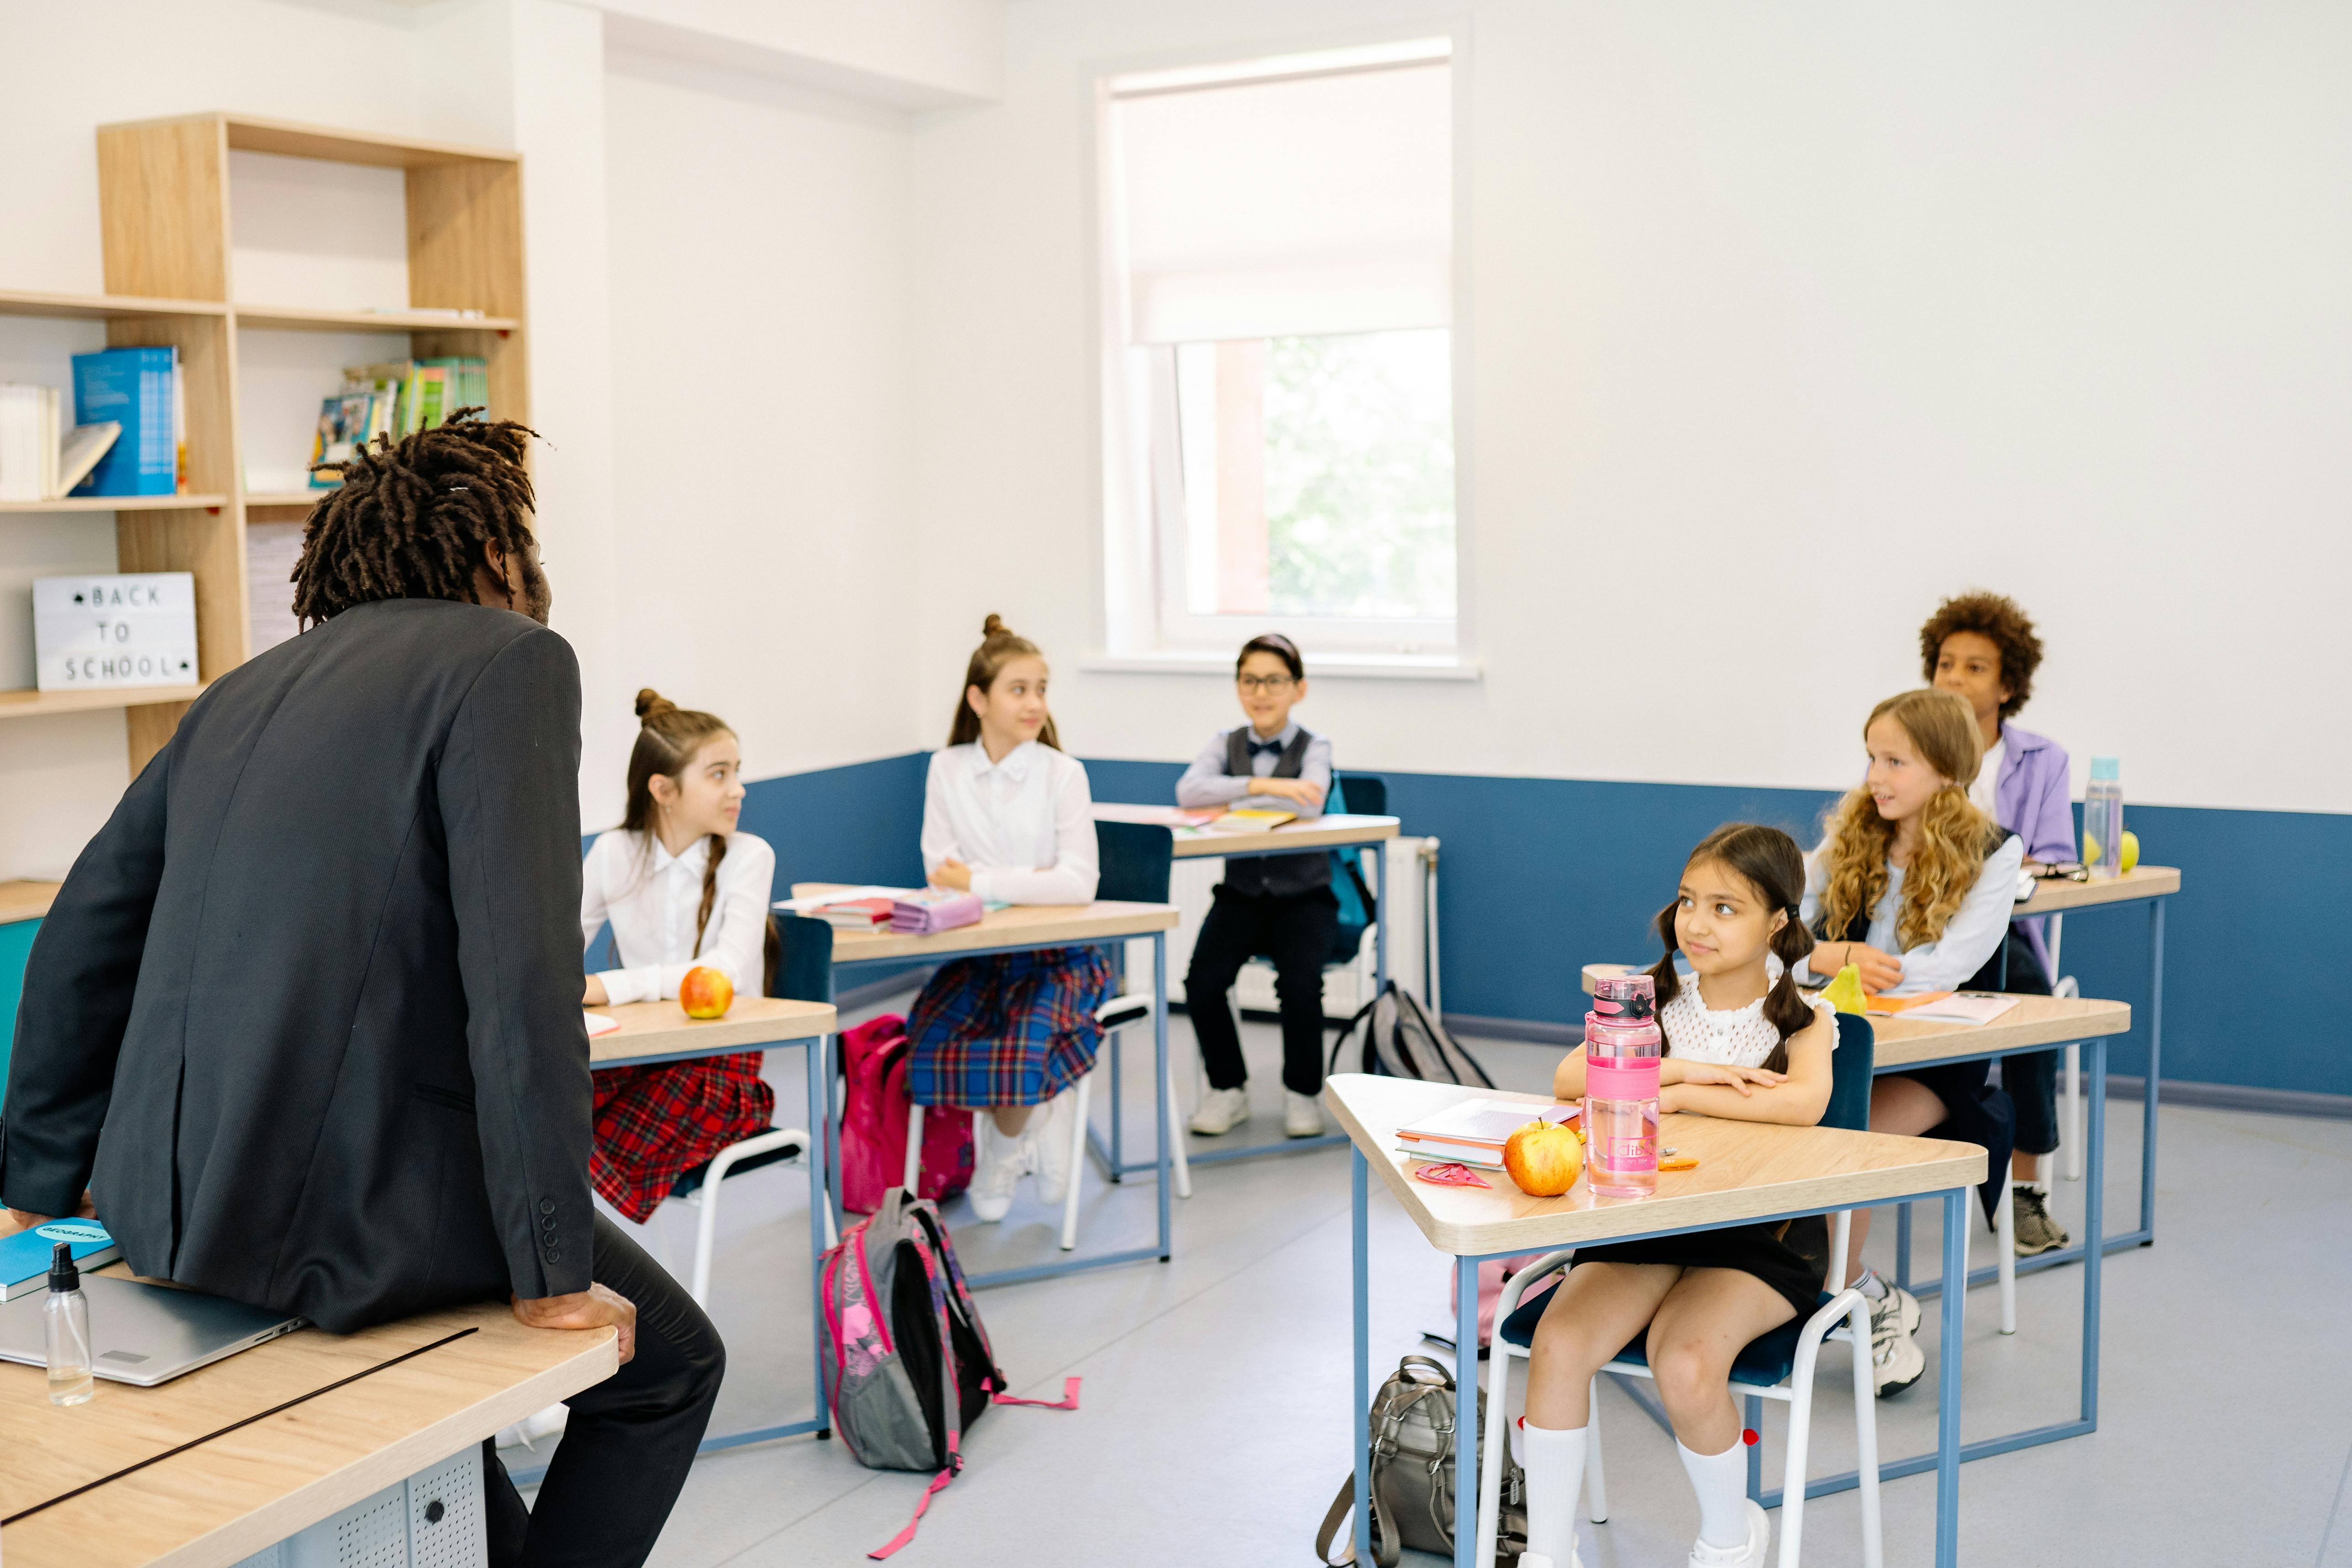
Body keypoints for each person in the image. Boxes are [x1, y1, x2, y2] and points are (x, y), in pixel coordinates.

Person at [0, 419, 721, 1568]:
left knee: (433, 1444)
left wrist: (36, 1186)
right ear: (492, 552)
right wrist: (550, 1273)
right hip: (360, 1211)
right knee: (672, 1364)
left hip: (168, 1207)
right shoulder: (511, 659)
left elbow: (80, 936)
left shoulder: (241, 691)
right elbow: (521, 976)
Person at [1524, 824, 1838, 1568]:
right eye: (1688, 900)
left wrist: (1652, 1080)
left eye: (1725, 908)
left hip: (1760, 1238)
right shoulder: (1655, 999)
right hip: (1646, 1221)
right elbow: (1570, 1078)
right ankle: (1544, 1554)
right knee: (1559, 1343)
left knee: (1686, 1362)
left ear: (1779, 925)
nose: (1696, 923)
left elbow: (1800, 1105)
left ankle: (1728, 1541)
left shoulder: (1803, 1018)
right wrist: (1685, 1073)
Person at [1796, 687, 2023, 1396]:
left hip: (1936, 1061)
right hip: (1840, 1043)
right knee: (1802, 1133)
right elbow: (1783, 932)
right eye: (1872, 757)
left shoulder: (1994, 851)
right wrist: (1830, 958)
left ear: (1948, 770)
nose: (1876, 777)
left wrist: (1848, 964)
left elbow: (1949, 967)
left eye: (1896, 761)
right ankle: (1868, 1295)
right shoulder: (1850, 834)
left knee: (1847, 1137)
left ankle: (1844, 1300)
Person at [910, 614, 1109, 1221]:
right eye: (1018, 689)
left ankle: (1008, 1139)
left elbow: (1078, 883)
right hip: (980, 955)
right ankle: (1034, 1118)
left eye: (1042, 689)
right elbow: (935, 869)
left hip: (1062, 958)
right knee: (929, 1043)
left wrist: (979, 880)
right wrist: (1013, 883)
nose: (1035, 704)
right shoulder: (947, 768)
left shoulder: (1062, 772)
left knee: (1020, 1047)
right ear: (979, 699)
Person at [581, 690, 779, 1224]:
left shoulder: (749, 856)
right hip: (638, 1052)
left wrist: (610, 985)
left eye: (736, 772)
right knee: (540, 1104)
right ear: (663, 790)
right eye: (718, 774)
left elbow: (723, 973)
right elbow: (554, 946)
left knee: (576, 1138)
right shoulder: (614, 852)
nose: (738, 789)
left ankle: (595, 1274)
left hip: (718, 1068)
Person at [1923, 591, 2076, 1256]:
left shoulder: (2042, 759)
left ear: (2008, 684)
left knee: (2031, 1010)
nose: (1955, 678)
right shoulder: (1911, 746)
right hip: (1918, 925)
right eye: (1947, 663)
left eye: (1975, 667)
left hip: (2002, 925)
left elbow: (2054, 861)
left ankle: (2023, 1192)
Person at [1176, 632, 1336, 1140]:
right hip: (1242, 894)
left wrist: (1232, 798)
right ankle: (1228, 1089)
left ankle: (1303, 1093)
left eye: (1273, 681)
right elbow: (1188, 793)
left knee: (1299, 988)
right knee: (1201, 983)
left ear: (1299, 689)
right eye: (1250, 681)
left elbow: (1310, 801)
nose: (1261, 692)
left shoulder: (1317, 746)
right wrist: (1265, 786)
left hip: (1304, 896)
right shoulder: (1223, 744)